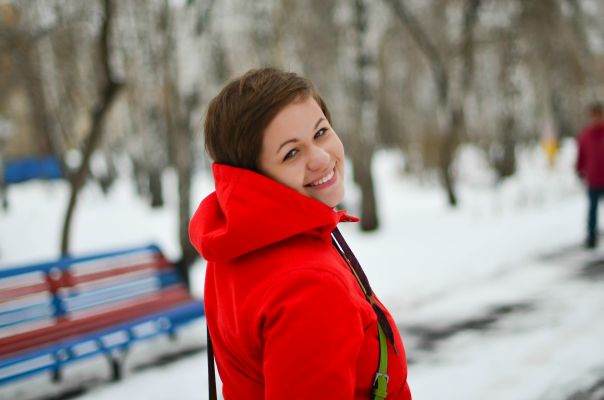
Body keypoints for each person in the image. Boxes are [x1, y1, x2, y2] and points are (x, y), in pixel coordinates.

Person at [189, 68, 411, 399]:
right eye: (291, 153)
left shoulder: (237, 245)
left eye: (320, 132)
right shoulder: (309, 287)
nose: (320, 158)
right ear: (255, 176)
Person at [576, 101, 604, 248]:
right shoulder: (585, 135)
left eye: (599, 115)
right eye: (594, 116)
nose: (596, 119)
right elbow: (581, 154)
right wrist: (579, 169)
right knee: (592, 210)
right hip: (593, 179)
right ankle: (591, 237)